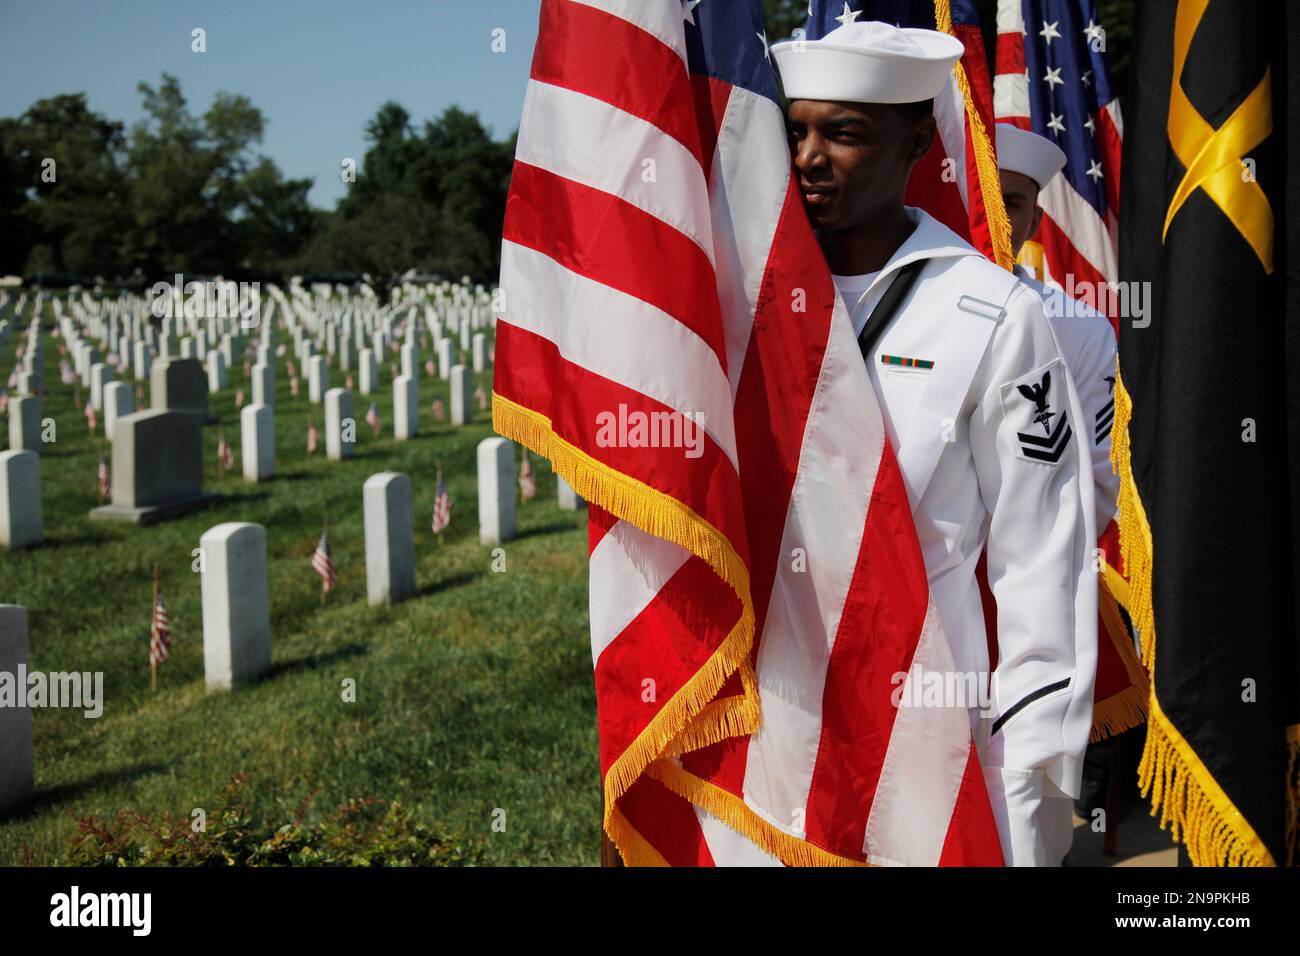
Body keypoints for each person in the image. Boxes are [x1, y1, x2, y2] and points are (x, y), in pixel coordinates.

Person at [772, 21, 1097, 866]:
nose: (809, 157)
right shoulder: (748, 299)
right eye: (795, 130)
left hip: (926, 728)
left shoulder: (991, 312)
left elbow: (1040, 568)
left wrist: (1028, 789)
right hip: (771, 734)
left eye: (843, 133)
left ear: (917, 140)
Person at [995, 122, 1120, 534]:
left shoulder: (1079, 328)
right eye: (983, 198)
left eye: (1010, 203)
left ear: (1034, 223)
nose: (994, 217)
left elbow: (1100, 481)